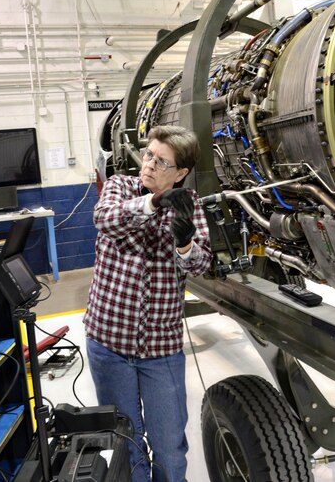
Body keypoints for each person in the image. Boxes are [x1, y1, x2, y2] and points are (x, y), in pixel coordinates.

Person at [84, 125, 213, 482]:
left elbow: (203, 265)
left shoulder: (190, 205)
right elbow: (104, 219)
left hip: (161, 348)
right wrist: (154, 202)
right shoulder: (120, 187)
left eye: (162, 162)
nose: (150, 165)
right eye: (149, 156)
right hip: (109, 342)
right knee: (127, 442)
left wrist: (185, 243)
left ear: (182, 173)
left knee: (170, 446)